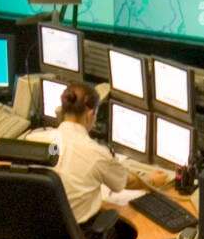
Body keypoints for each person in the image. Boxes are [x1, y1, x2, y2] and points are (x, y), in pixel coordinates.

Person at [38, 82, 169, 230]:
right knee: (126, 231)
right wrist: (152, 180)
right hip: (80, 236)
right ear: (90, 115)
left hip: (43, 231)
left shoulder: (37, 141)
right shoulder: (96, 154)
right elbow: (127, 182)